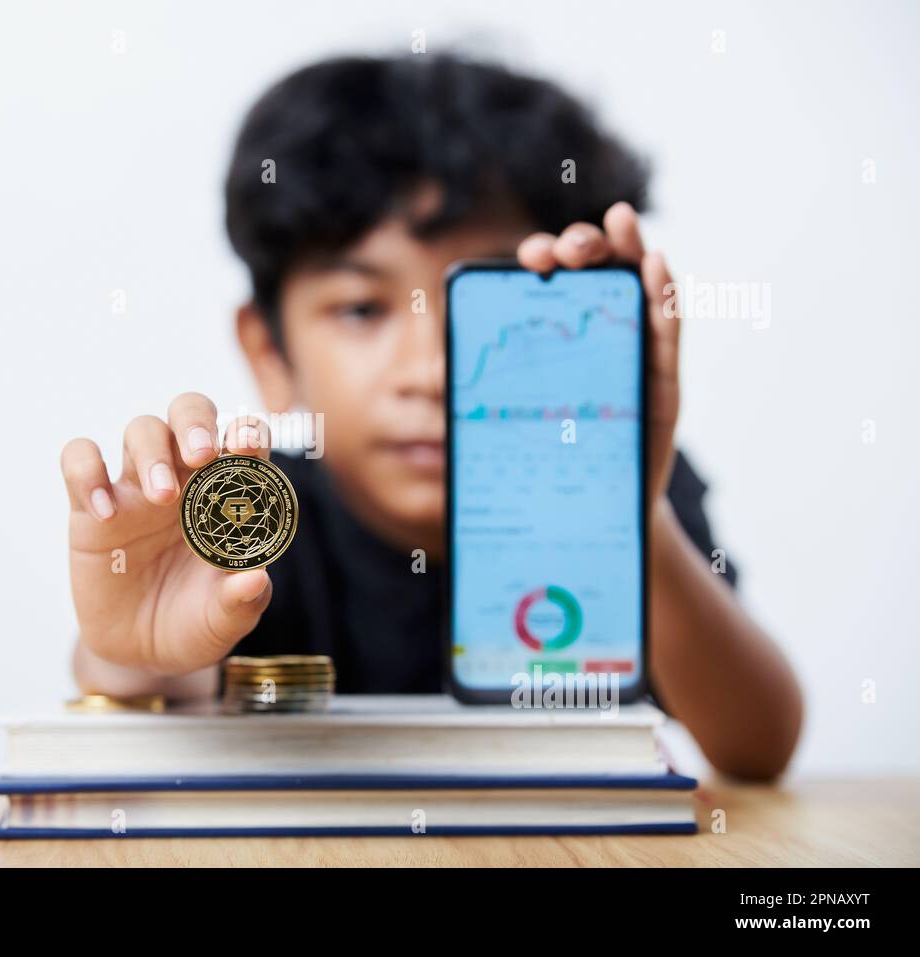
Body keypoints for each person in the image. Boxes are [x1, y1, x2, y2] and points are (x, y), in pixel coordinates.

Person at [60, 53, 802, 780]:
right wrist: (131, 652)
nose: (433, 371)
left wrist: (631, 515)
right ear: (269, 354)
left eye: (484, 307)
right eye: (361, 308)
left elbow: (756, 744)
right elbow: (164, 680)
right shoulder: (252, 516)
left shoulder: (621, 480)